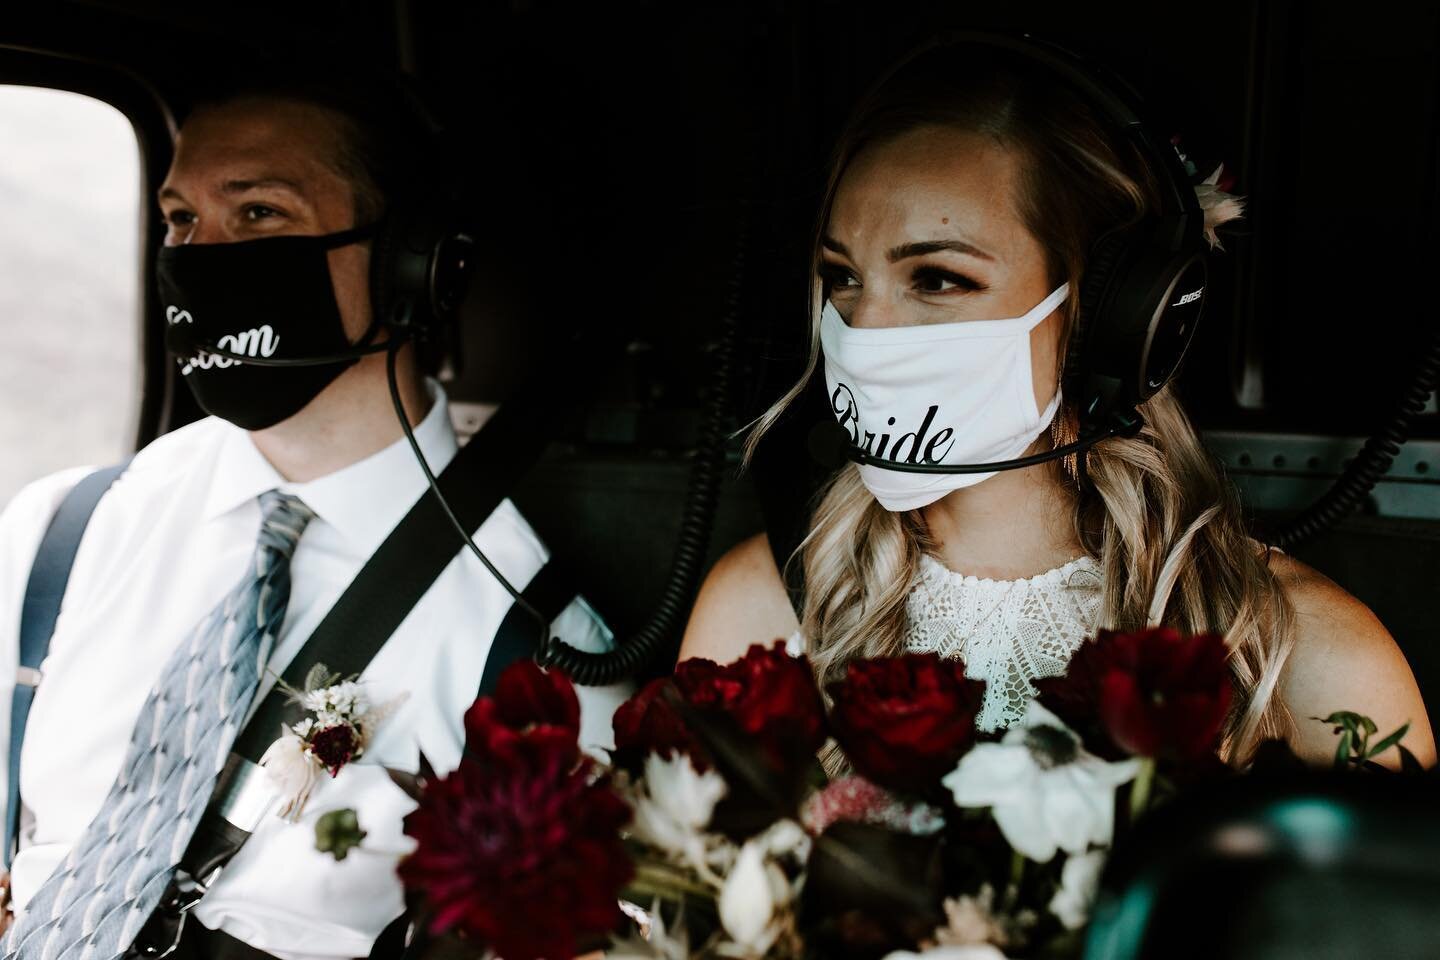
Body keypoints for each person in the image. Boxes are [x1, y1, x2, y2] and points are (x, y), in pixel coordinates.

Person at [0, 70, 626, 955]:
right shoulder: (61, 533)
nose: (203, 255)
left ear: (417, 261)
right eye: (182, 220)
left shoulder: (537, 655)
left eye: (259, 215)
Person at [681, 38, 1436, 769]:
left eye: (938, 278)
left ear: (1112, 319)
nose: (862, 331)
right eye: (843, 276)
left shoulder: (1314, 665)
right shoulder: (761, 615)